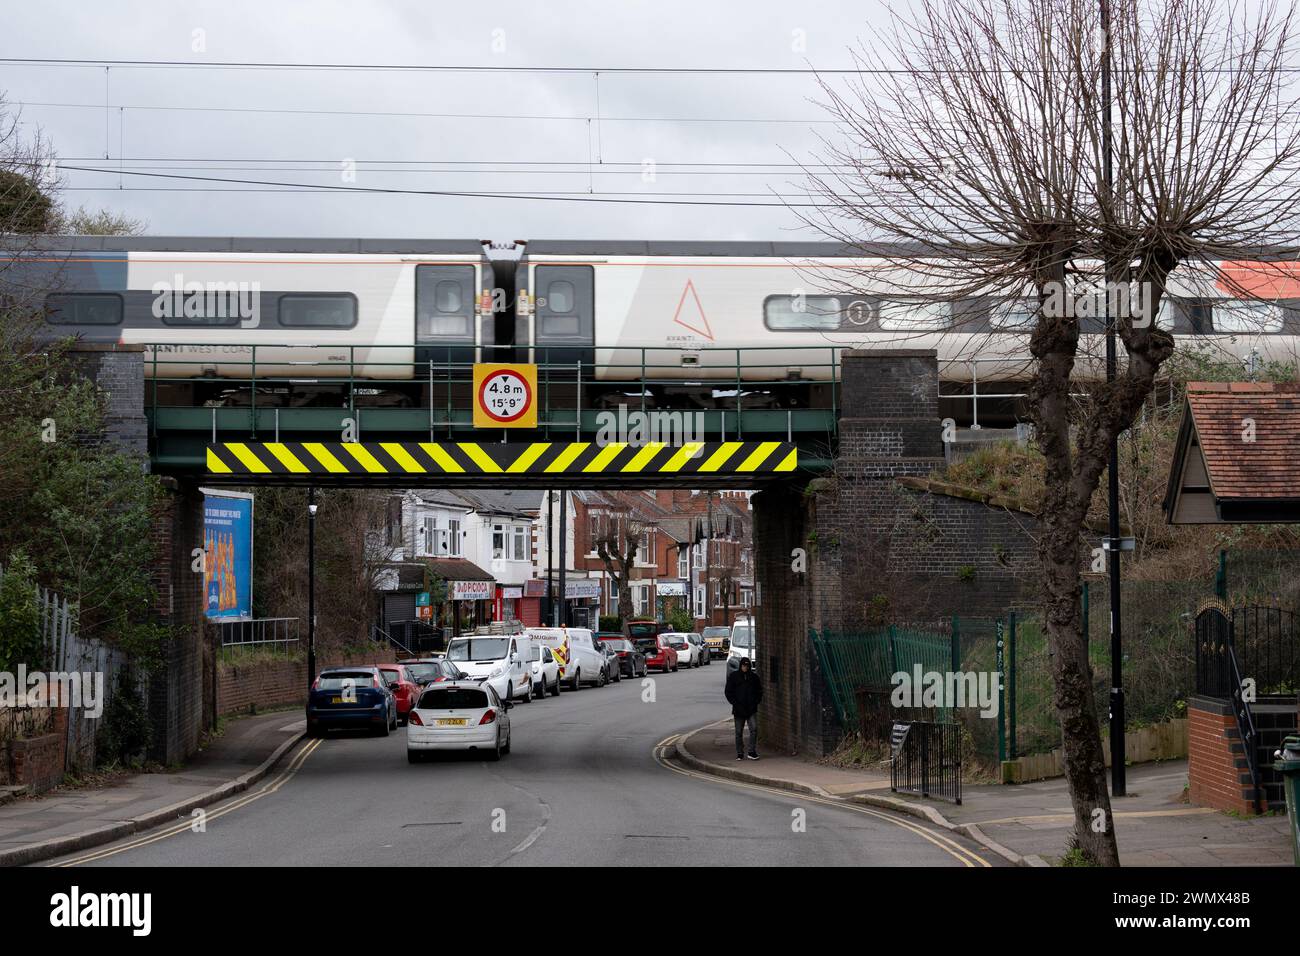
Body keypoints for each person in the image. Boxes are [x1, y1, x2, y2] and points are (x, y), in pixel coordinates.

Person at [724, 657, 762, 760]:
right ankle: (740, 753)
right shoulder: (734, 677)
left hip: (751, 709)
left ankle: (751, 751)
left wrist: (755, 703)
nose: (745, 667)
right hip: (738, 709)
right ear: (740, 666)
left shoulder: (754, 678)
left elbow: (759, 692)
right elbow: (728, 692)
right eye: (743, 665)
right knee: (738, 732)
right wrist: (735, 704)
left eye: (747, 666)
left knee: (754, 729)